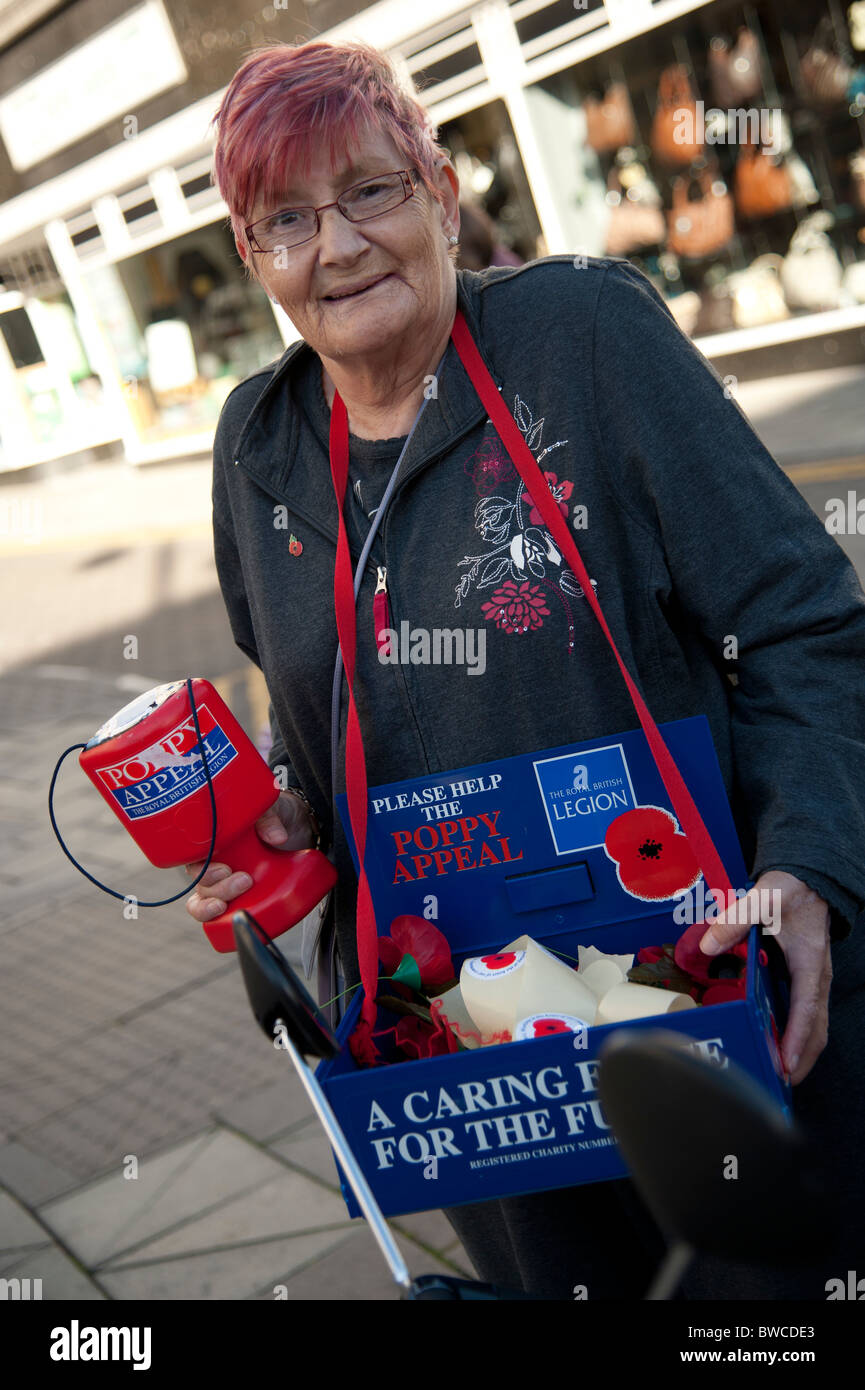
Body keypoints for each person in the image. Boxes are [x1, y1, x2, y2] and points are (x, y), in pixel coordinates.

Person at [186, 38, 865, 1300]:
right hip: (458, 1070)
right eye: (286, 218)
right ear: (252, 256)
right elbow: (312, 730)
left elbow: (802, 622)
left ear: (442, 193)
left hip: (709, 1001)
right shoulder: (257, 448)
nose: (334, 246)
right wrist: (280, 823)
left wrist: (811, 865)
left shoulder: (585, 338)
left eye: (370, 192)